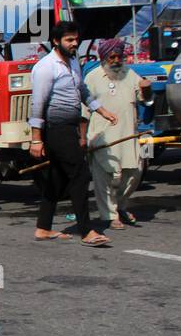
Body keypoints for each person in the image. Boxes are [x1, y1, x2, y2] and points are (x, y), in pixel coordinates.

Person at [29, 21, 117, 247]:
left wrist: (103, 111)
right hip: (55, 129)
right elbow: (38, 104)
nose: (74, 43)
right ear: (56, 42)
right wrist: (36, 139)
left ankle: (43, 228)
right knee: (80, 174)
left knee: (56, 178)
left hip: (70, 126)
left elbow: (83, 91)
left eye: (75, 39)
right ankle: (86, 231)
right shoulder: (46, 67)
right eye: (69, 40)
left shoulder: (74, 62)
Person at [84, 38, 150, 229]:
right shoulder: (93, 77)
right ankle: (109, 215)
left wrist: (147, 89)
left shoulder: (130, 74)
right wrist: (82, 138)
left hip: (128, 137)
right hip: (102, 138)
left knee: (134, 173)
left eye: (119, 56)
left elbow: (145, 98)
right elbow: (83, 111)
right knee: (106, 178)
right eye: (111, 57)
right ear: (104, 57)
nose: (115, 60)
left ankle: (120, 206)